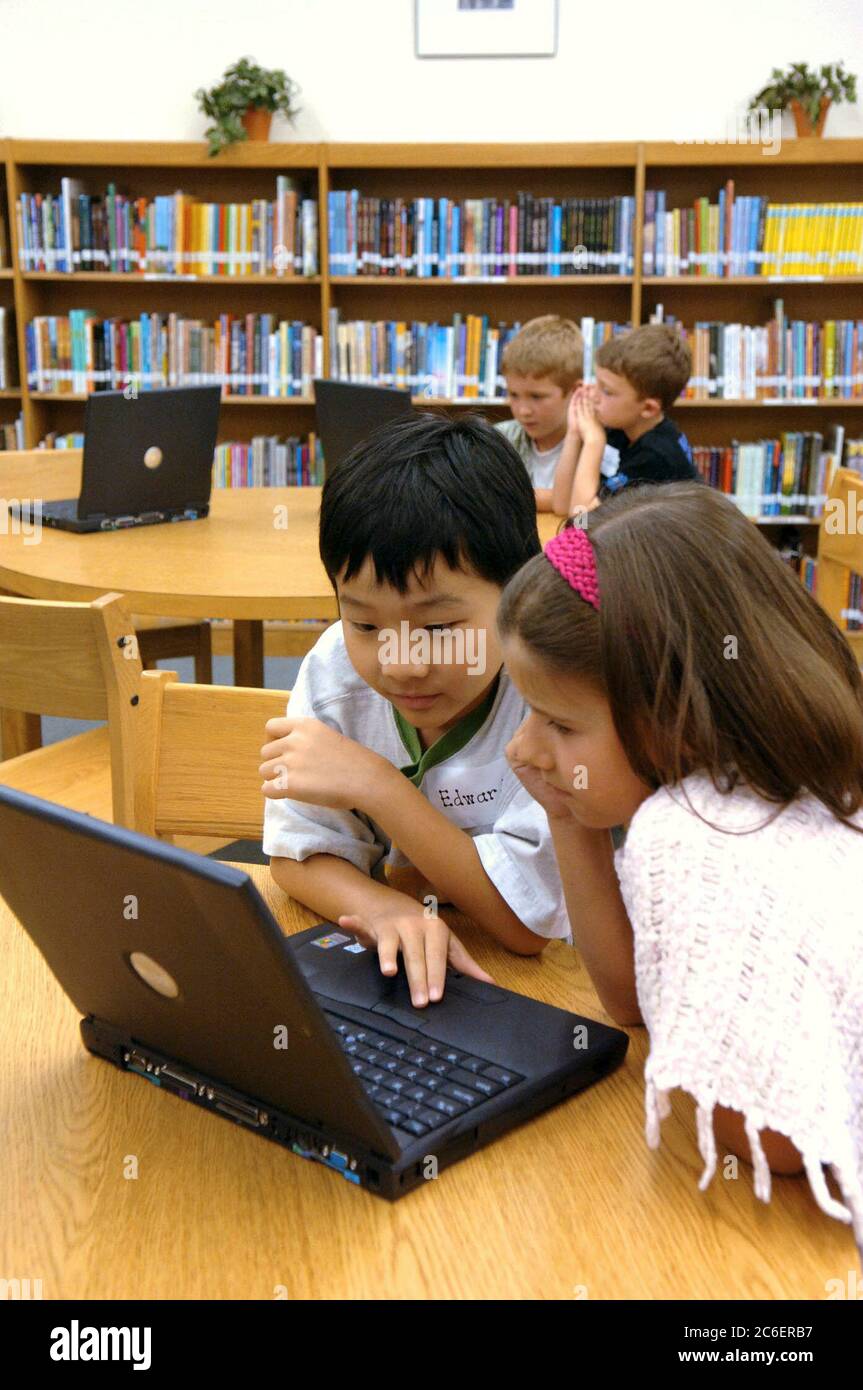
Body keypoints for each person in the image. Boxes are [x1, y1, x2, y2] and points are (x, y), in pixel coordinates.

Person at [497, 481, 863, 1244]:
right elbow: (636, 1001)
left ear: (679, 714)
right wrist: (568, 808)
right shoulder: (803, 777)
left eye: (559, 723)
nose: (523, 750)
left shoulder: (698, 835)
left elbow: (767, 1143)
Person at [260, 413, 570, 1009]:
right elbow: (297, 856)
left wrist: (377, 786)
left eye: (439, 626)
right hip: (405, 984)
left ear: (523, 591)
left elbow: (525, 926)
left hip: (543, 988)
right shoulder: (333, 675)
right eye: (366, 623)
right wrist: (383, 907)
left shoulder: (554, 699)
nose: (400, 661)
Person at [552, 323, 697, 515]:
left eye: (607, 391)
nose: (593, 395)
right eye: (596, 382)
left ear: (648, 408)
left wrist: (594, 442)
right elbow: (561, 506)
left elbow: (581, 522)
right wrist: (573, 434)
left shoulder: (656, 456)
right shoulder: (621, 428)